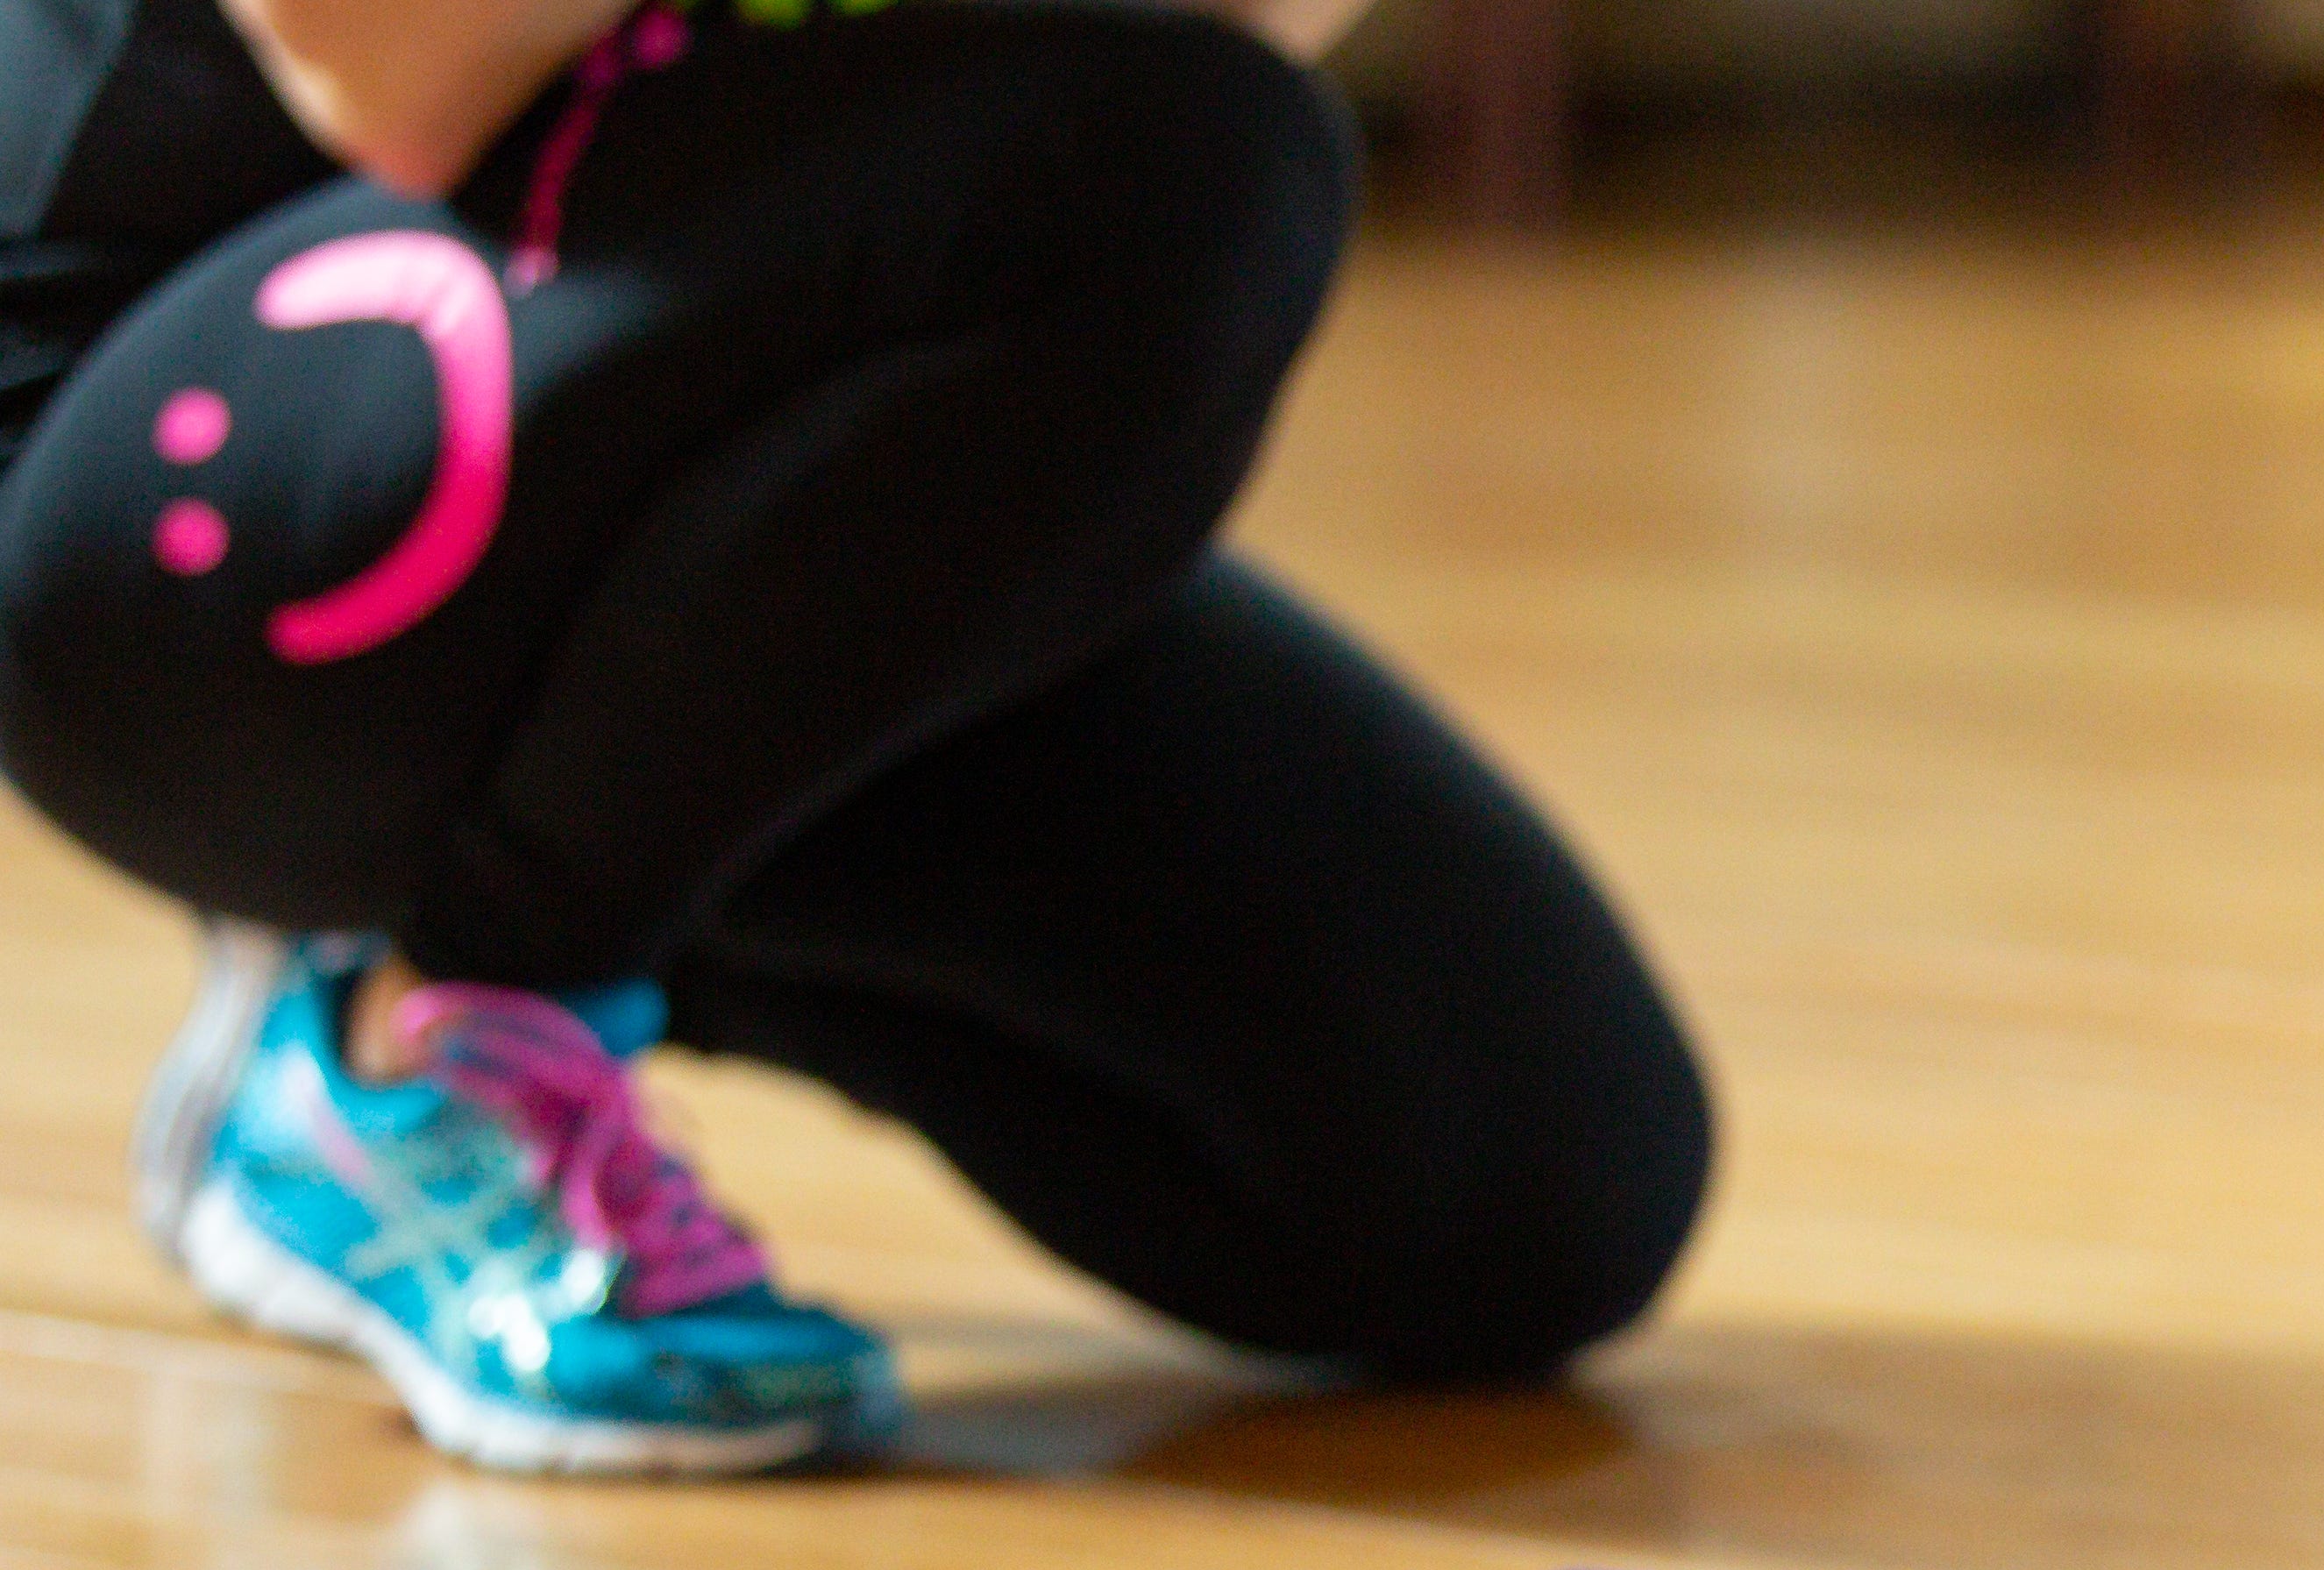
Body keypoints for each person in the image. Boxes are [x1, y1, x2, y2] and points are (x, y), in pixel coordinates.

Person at [0, 0, 1711, 1473]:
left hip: (701, 446)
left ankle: (532, 891)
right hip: (155, 519)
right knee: (1155, 151)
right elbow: (409, 80)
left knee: (1523, 1193)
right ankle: (426, 1042)